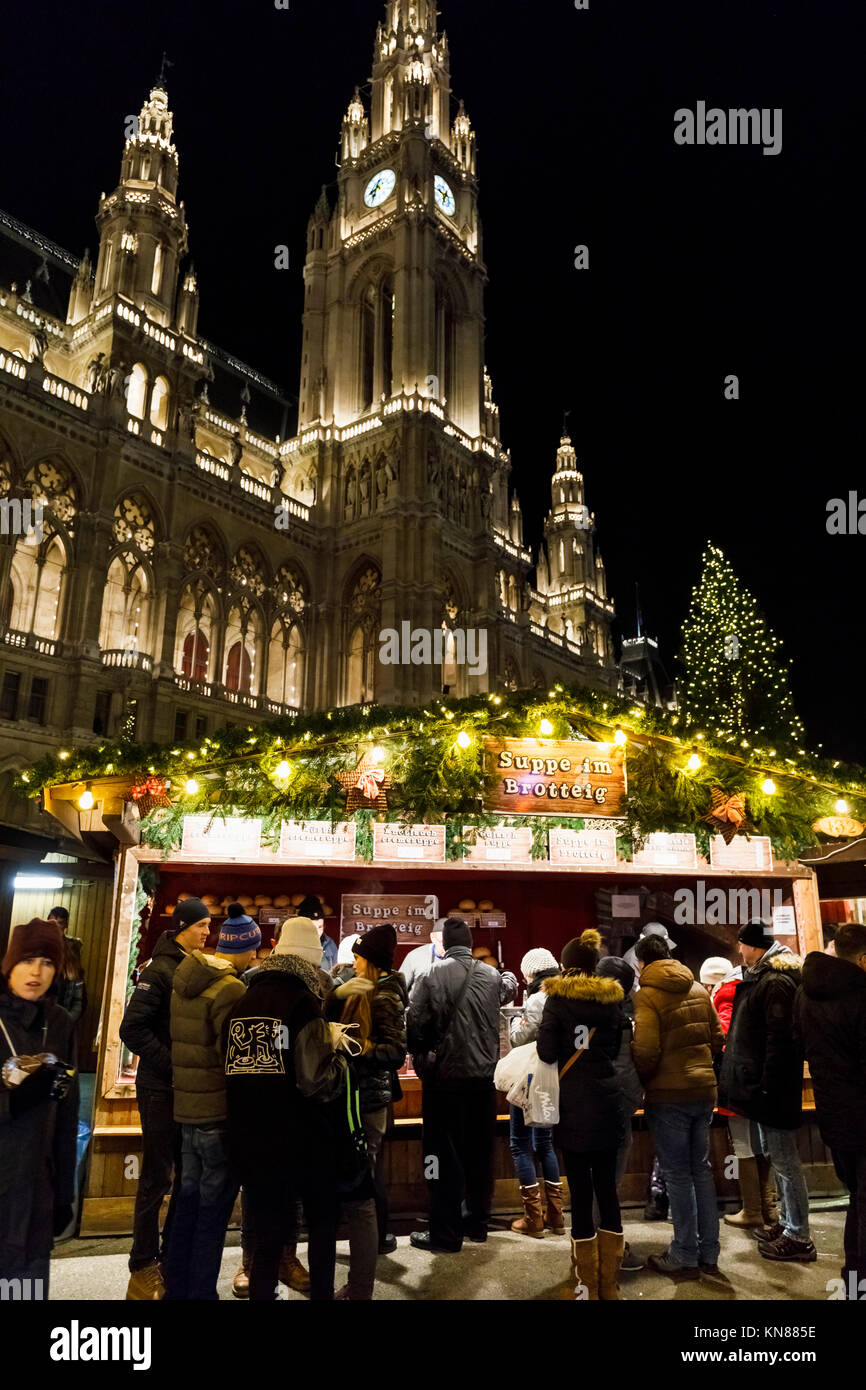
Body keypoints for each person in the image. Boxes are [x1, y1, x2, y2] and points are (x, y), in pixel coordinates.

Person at [223, 916, 347, 1301]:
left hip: (249, 1136)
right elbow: (314, 1080)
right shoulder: (304, 1002)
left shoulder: (242, 1001)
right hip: (301, 1137)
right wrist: (339, 1054)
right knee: (322, 1226)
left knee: (267, 1235)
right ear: (311, 962)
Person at [164, 906, 260, 1299]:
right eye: (253, 950)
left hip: (187, 1113)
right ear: (243, 950)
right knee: (212, 1215)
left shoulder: (183, 979)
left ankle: (176, 1289)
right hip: (218, 1117)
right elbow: (237, 1061)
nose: (255, 957)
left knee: (185, 1207)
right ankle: (202, 1292)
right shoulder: (232, 989)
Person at [119, 898, 211, 1300]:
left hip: (183, 1089)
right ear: (183, 927)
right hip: (159, 1089)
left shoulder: (191, 968)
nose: (208, 933)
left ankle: (172, 1257)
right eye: (202, 926)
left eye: (210, 927)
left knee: (185, 1176)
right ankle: (142, 1263)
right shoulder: (159, 971)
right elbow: (131, 1029)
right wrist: (173, 1064)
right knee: (157, 1178)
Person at [537, 930, 626, 1301]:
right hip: (607, 1100)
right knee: (608, 1190)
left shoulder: (556, 1001)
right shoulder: (612, 1002)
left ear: (566, 966)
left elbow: (544, 1052)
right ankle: (611, 1286)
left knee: (581, 1189)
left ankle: (586, 1283)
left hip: (572, 1104)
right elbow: (617, 1047)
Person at [720, 920, 815, 1263]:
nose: (739, 951)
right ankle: (787, 1223)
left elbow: (779, 1041)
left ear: (755, 946)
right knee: (777, 1158)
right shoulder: (765, 976)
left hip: (773, 1089)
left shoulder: (774, 981)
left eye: (742, 944)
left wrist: (766, 1086)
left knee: (786, 1162)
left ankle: (799, 1236)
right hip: (766, 1087)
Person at [632, 932, 723, 1279]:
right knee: (701, 1170)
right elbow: (717, 1038)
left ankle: (684, 1254)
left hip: (669, 1096)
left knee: (677, 1175)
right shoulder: (699, 988)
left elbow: (646, 1051)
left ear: (641, 962)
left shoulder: (647, 997)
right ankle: (708, 1252)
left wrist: (645, 1079)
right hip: (703, 1091)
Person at [407, 917, 501, 1252]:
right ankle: (476, 1223)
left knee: (438, 1159)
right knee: (479, 1155)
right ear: (471, 943)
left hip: (444, 1083)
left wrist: (421, 1054)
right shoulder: (491, 975)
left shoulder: (431, 973)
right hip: (483, 1082)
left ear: (443, 944)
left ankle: (444, 1233)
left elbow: (414, 1023)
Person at [231, 909, 311, 1299]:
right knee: (267, 1196)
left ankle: (281, 1259)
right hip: (280, 1115)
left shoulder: (254, 987)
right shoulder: (259, 989)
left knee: (270, 1195)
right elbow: (309, 1069)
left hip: (251, 1113)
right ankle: (253, 1262)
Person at [325, 923, 408, 1295]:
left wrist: (353, 1049)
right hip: (348, 1098)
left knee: (364, 1185)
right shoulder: (356, 988)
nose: (354, 963)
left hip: (369, 1102)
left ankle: (361, 1283)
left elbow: (395, 1053)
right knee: (358, 1183)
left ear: (372, 962)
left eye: (359, 958)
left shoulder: (385, 996)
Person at [0, 919, 78, 1297]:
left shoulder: (60, 1023)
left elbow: (67, 1112)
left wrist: (65, 1191)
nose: (36, 972)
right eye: (28, 960)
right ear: (10, 964)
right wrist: (14, 1101)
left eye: (47, 962)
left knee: (24, 1291)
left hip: (36, 1189)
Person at [796, 921, 866, 1296]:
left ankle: (856, 1281)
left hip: (833, 1114)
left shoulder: (806, 994)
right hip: (860, 1113)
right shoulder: (860, 995)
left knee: (857, 1198)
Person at [701, 955, 778, 1235]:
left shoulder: (724, 994)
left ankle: (754, 1210)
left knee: (744, 1144)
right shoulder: (752, 986)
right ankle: (769, 1207)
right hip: (757, 1076)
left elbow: (723, 1032)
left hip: (735, 1077)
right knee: (762, 1143)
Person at [507, 947, 564, 1238]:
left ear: (530, 973)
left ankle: (534, 1219)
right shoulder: (566, 991)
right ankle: (556, 1216)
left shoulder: (538, 998)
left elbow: (520, 1038)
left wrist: (515, 1022)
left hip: (531, 1076)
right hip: (554, 1078)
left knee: (519, 1143)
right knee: (545, 1143)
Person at [595, 954, 644, 1272]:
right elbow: (624, 1073)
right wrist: (631, 1101)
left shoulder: (576, 1012)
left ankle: (587, 1247)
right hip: (613, 1110)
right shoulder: (621, 1021)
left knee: (591, 1183)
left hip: (580, 1111)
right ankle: (610, 1251)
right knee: (608, 1183)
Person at [46, 906, 87, 1028]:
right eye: (52, 922)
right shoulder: (39, 947)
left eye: (59, 923)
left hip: (63, 1014)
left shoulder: (72, 951)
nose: (55, 926)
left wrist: (67, 1022)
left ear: (65, 925)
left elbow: (78, 998)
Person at [296, 894, 338, 970]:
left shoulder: (329, 943)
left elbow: (336, 971)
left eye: (320, 927)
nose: (317, 932)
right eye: (312, 927)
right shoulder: (292, 944)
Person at [400, 925, 445, 995]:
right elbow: (399, 989)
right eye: (441, 942)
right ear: (433, 938)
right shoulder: (415, 956)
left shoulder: (461, 958)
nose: (446, 946)